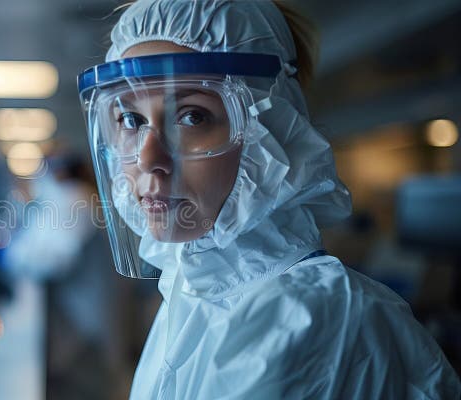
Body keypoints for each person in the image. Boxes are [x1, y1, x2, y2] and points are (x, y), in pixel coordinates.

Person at [77, 0, 461, 398]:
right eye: (130, 120)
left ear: (268, 130)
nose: (147, 158)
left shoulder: (326, 318)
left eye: (192, 116)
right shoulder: (188, 295)